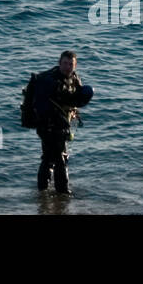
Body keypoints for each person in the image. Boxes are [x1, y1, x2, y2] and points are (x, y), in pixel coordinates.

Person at [26, 51, 91, 193]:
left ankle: (43, 192)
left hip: (61, 124)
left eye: (71, 64)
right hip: (48, 125)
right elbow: (67, 98)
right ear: (59, 63)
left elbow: (75, 98)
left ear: (75, 65)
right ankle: (63, 193)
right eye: (65, 63)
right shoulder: (51, 82)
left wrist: (75, 109)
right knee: (60, 159)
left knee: (48, 157)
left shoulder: (73, 78)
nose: (68, 67)